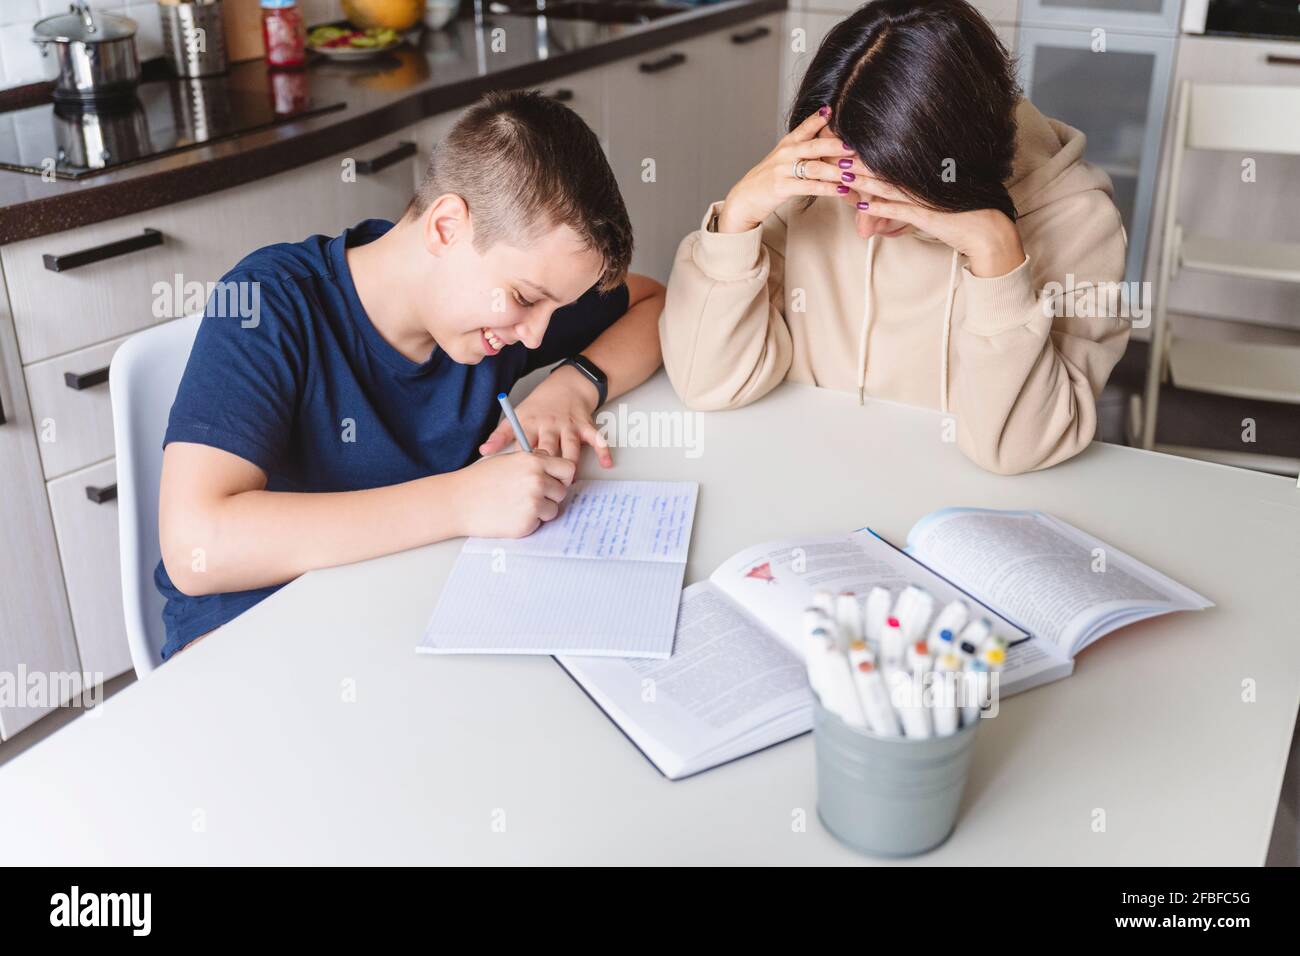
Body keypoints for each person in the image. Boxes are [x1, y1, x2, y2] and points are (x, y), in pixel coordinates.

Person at [155, 90, 665, 659]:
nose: (537, 336)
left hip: (398, 618)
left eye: (553, 308)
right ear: (447, 228)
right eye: (525, 298)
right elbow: (194, 544)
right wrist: (459, 501)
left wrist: (573, 385)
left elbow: (654, 304)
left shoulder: (493, 318)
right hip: (249, 642)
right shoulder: (268, 302)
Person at [660, 0, 1131, 475]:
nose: (865, 227)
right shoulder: (823, 172)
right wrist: (737, 219)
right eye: (854, 195)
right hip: (808, 483)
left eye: (894, 200)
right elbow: (708, 382)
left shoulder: (1080, 221)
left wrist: (997, 258)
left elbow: (1017, 450)